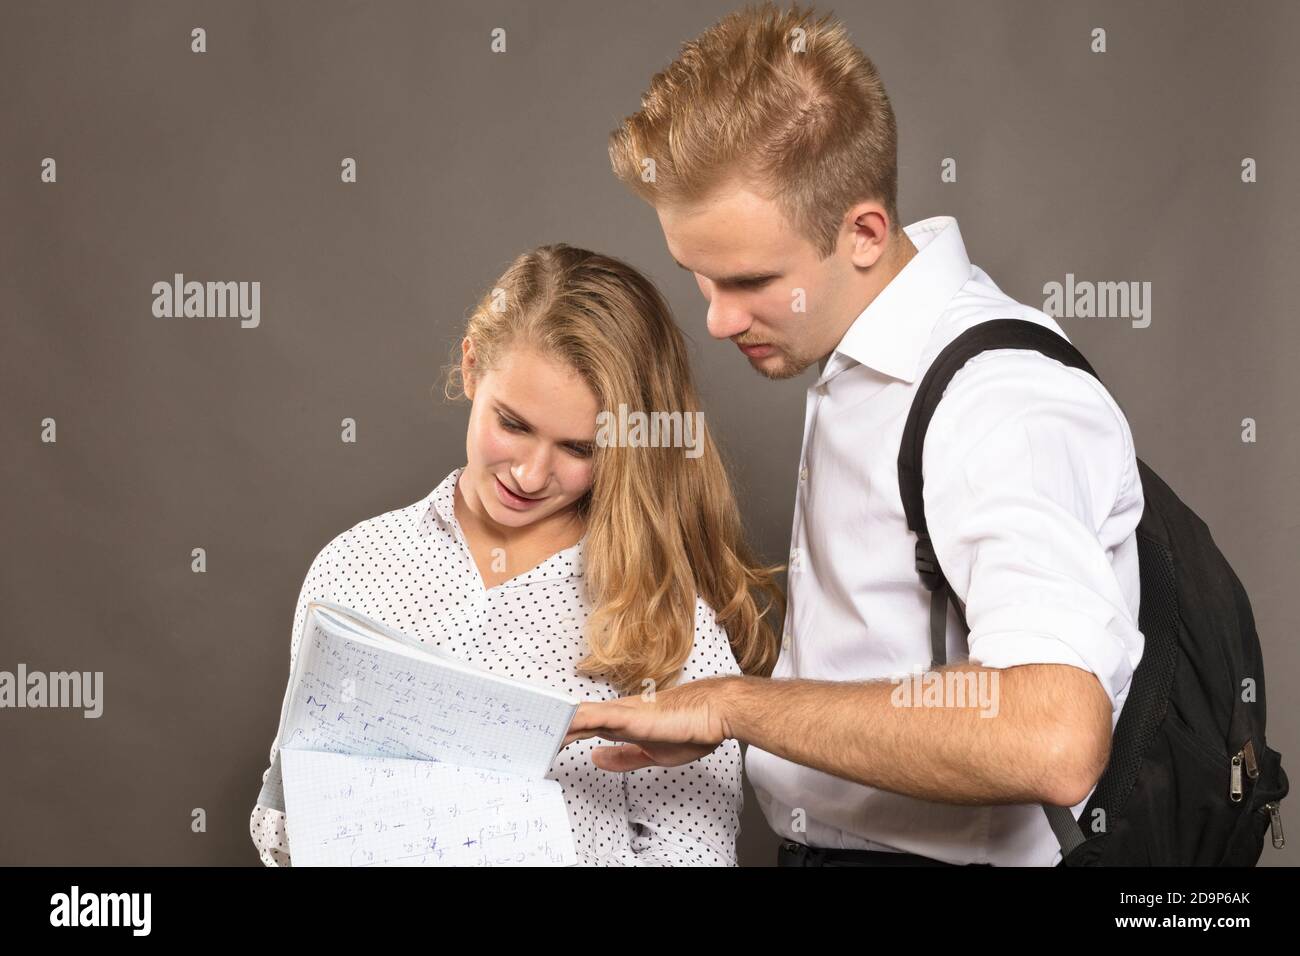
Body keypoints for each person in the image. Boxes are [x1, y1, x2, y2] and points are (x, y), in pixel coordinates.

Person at [564, 2, 1145, 867]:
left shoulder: (998, 400)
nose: (719, 321)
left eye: (751, 280)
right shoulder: (861, 351)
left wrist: (733, 707)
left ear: (865, 233)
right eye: (700, 279)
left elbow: (1052, 736)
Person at [249, 243, 783, 866]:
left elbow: (695, 857)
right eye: (514, 423)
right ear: (472, 367)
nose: (531, 475)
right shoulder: (354, 565)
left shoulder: (664, 615)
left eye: (578, 448)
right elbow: (283, 812)